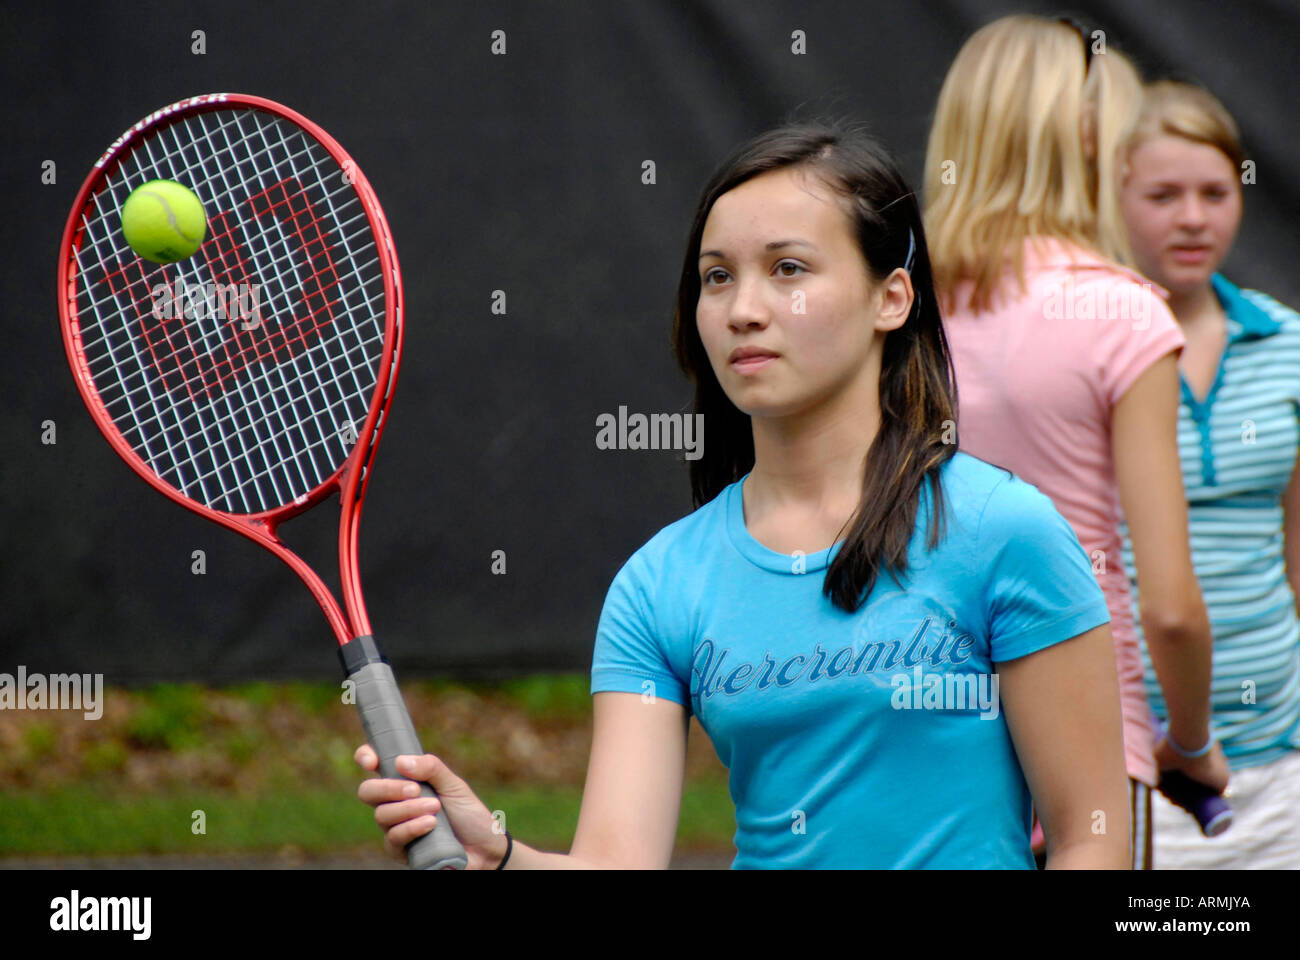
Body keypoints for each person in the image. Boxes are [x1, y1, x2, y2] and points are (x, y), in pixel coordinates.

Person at [356, 120, 1131, 868]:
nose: (743, 309)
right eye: (717, 276)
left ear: (891, 299)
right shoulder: (659, 584)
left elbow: (1092, 840)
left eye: (787, 268)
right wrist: (499, 856)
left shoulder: (1004, 532)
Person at [922, 15, 1229, 869]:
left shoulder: (895, 309)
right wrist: (1193, 739)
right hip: (1092, 733)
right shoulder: (1125, 313)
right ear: (1088, 143)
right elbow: (1168, 605)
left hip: (914, 722)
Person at [1117, 80, 1300, 869]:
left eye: (1215, 192)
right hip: (1122, 766)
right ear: (1112, 198)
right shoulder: (1082, 349)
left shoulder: (1287, 342)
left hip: (1276, 764)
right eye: (1163, 194)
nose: (1193, 217)